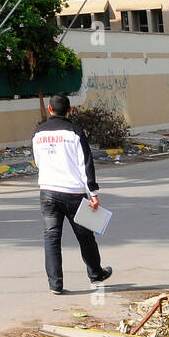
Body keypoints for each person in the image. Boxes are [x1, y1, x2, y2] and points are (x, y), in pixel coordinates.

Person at [31, 94, 113, 294]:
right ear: (70, 110)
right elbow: (85, 164)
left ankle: (55, 284)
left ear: (50, 109)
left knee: (51, 238)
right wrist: (92, 193)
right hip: (73, 193)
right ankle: (95, 273)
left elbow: (39, 161)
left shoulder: (38, 133)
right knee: (85, 236)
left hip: (47, 191)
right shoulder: (75, 132)